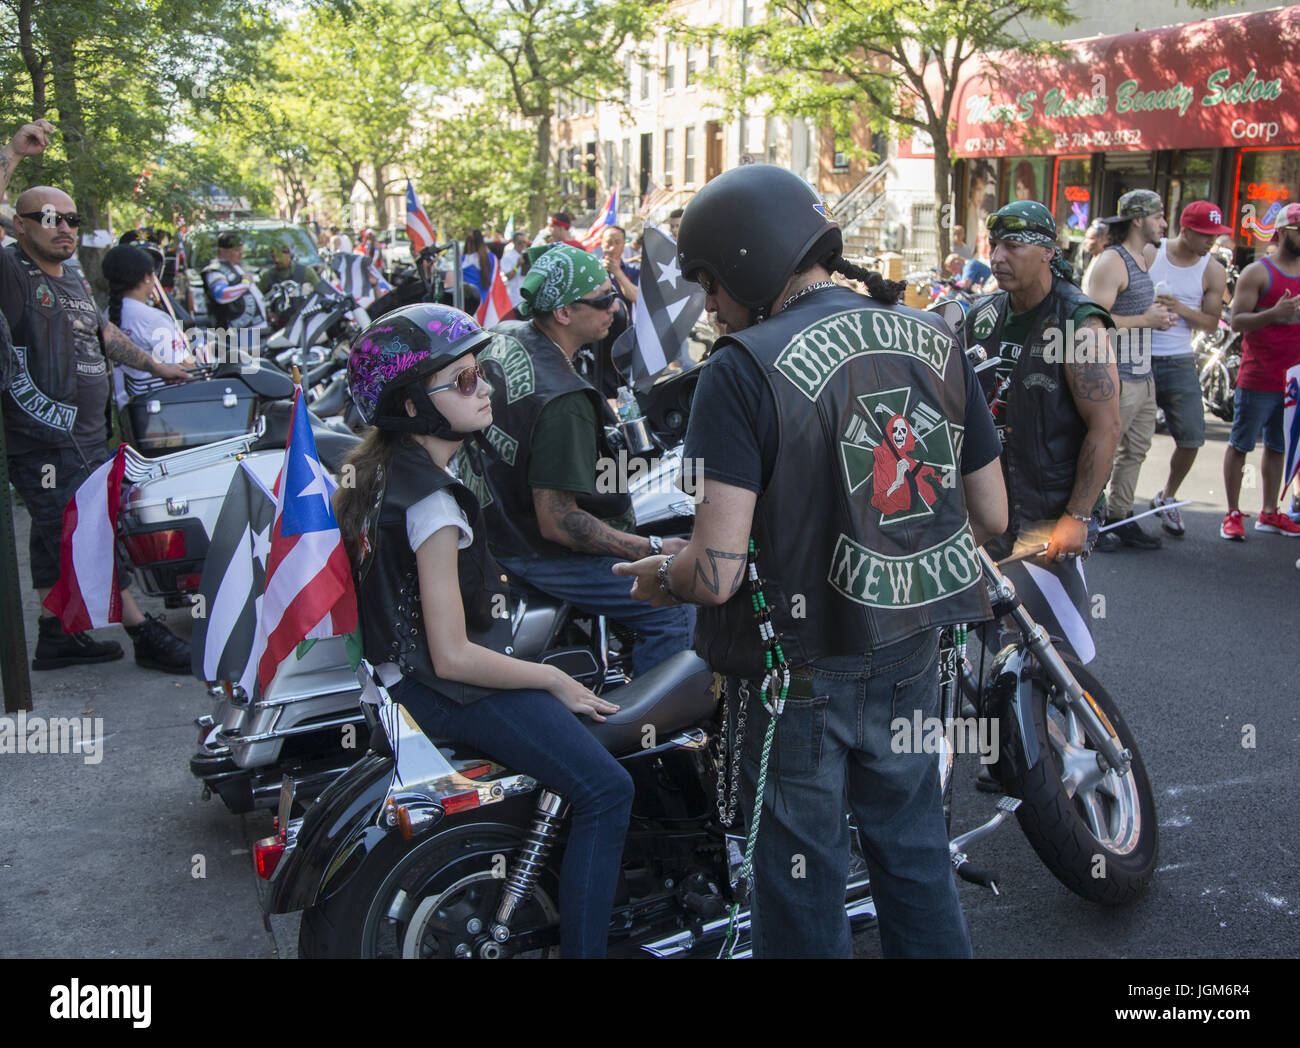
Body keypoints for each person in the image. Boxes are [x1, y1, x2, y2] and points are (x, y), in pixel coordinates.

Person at [612, 164, 1008, 958]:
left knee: (801, 880)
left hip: (794, 672)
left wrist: (663, 576)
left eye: (712, 282)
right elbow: (993, 516)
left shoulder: (739, 366)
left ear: (750, 260)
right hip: (912, 648)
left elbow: (717, 571)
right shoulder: (936, 335)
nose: (711, 303)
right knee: (913, 852)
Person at [335, 303, 632, 957]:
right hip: (440, 686)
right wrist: (550, 679)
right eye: (463, 380)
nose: (485, 387)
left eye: (481, 373)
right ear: (413, 407)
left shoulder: (381, 473)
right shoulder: (435, 504)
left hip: (393, 681)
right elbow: (451, 655)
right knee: (608, 788)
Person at [0, 119, 192, 673]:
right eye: (49, 218)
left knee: (50, 537)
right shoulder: (12, 273)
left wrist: (160, 366)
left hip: (85, 435)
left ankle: (55, 634)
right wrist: (14, 152)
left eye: (71, 219)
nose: (64, 228)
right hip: (43, 440)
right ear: (20, 225)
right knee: (84, 532)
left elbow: (103, 336)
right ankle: (144, 632)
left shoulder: (70, 279)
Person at [464, 243, 695, 676]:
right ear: (564, 313)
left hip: (493, 526)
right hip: (532, 550)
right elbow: (559, 523)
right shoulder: (564, 400)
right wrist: (658, 549)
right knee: (673, 605)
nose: (615, 308)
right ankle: (654, 727)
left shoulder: (503, 335)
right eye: (603, 300)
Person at [961, 200, 1120, 664]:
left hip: (1048, 514)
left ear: (1049, 251)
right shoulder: (983, 314)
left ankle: (1068, 735)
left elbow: (1105, 427)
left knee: (1051, 649)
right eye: (995, 245)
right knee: (997, 640)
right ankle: (1015, 733)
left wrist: (1078, 515)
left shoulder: (1079, 322)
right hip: (989, 507)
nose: (997, 258)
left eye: (1013, 246)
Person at [1084, 190, 1173, 550]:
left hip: (1142, 374)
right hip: (1114, 374)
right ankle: (1089, 520)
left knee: (1135, 451)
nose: (1165, 223)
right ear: (1138, 219)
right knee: (1103, 449)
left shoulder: (1144, 256)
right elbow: (1091, 323)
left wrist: (1156, 317)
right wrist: (1146, 319)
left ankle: (1120, 519)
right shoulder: (1111, 261)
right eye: (1159, 216)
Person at [1145, 200, 1231, 537]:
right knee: (1123, 436)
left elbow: (1212, 323)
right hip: (1140, 354)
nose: (1212, 241)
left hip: (1179, 358)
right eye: (1206, 234)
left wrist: (1181, 308)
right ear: (1187, 230)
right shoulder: (1153, 254)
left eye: (1216, 234)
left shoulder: (1213, 269)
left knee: (1193, 436)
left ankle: (1166, 497)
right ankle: (1112, 505)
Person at [1220, 202, 1300, 539]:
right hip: (1259, 375)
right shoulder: (1258, 272)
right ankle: (1232, 513)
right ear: (1281, 232)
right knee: (1241, 444)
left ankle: (1269, 512)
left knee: (1280, 446)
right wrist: (1274, 312)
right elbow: (1237, 320)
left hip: (1293, 379)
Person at [102, 244, 192, 408]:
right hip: (158, 410)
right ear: (147, 277)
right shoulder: (154, 319)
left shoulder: (105, 315)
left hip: (121, 409)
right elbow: (186, 370)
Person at [201, 231, 268, 345]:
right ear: (222, 251)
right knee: (245, 361)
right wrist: (245, 284)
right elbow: (222, 295)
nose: (241, 254)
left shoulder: (235, 267)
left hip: (252, 329)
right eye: (236, 250)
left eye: (241, 250)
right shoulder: (215, 270)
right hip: (235, 333)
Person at [257, 237, 321, 327]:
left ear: (288, 254)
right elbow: (258, 301)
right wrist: (268, 314)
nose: (276, 260)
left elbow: (321, 293)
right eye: (273, 256)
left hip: (301, 324)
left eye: (279, 256)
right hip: (276, 327)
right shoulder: (267, 276)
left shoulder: (306, 272)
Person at [600, 225, 639, 304]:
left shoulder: (633, 271)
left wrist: (618, 273)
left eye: (617, 243)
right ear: (602, 243)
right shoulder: (592, 269)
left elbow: (637, 297)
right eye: (609, 242)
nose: (612, 248)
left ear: (623, 245)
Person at [460, 228, 496, 298]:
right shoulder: (491, 258)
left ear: (467, 243)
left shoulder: (463, 259)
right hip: (485, 301)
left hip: (467, 301)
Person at [499, 231, 530, 306]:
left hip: (527, 296)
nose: (522, 245)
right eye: (520, 242)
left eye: (524, 242)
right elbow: (509, 277)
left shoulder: (528, 254)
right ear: (514, 242)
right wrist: (517, 266)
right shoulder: (507, 257)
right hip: (514, 297)